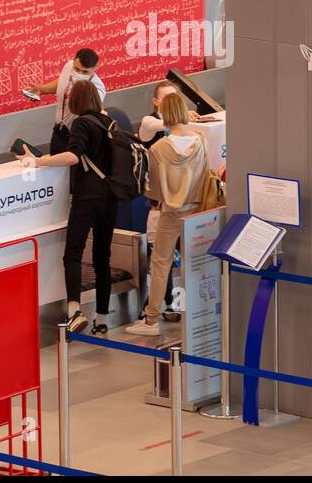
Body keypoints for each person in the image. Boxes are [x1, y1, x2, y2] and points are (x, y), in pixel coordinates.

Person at [16, 79, 117, 336]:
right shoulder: (109, 122)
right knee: (102, 257)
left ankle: (75, 311)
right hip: (110, 197)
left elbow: (73, 156)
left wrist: (37, 161)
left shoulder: (81, 123)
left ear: (75, 102)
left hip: (87, 197)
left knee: (73, 253)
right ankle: (102, 319)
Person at [126, 92, 209, 337]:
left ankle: (151, 320)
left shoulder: (160, 148)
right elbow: (206, 175)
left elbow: (154, 187)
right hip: (196, 211)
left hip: (171, 213)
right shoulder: (201, 140)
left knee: (161, 264)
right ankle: (201, 312)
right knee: (197, 264)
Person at [24, 47, 106, 129]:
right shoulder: (69, 66)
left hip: (78, 133)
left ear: (95, 68)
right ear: (74, 61)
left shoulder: (97, 89)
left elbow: (90, 115)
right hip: (59, 126)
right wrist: (41, 89)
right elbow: (62, 83)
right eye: (77, 69)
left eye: (85, 72)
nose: (79, 74)